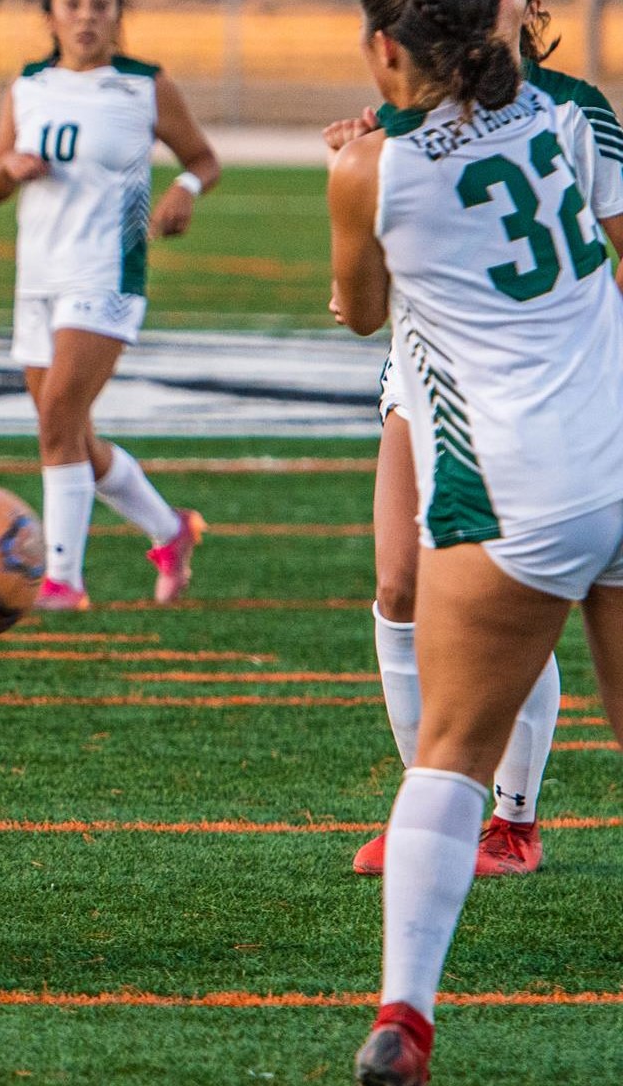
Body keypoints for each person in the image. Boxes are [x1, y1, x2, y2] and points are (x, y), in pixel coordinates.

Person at [328, 0, 623, 1078]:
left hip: (519, 483)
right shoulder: (562, 115)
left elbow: (357, 311)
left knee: (447, 755)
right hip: (616, 434)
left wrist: (363, 166)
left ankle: (403, 1015)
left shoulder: (368, 167)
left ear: (385, 49)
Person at [0, 0, 219, 611]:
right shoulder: (29, 86)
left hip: (108, 272)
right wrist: (8, 167)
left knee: (59, 416)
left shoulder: (145, 85)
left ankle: (63, 582)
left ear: (118, 16)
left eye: (100, 6)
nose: (86, 17)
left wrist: (184, 191)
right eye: (72, 5)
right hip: (38, 278)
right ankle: (171, 532)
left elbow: (203, 159)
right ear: (51, 16)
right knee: (68, 433)